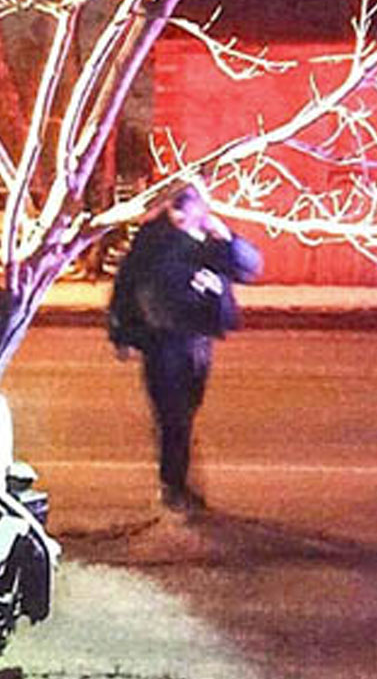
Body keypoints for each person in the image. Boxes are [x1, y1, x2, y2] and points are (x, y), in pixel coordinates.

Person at [107, 184, 261, 513]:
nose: (179, 213)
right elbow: (126, 283)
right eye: (175, 206)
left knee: (185, 413)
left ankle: (176, 478)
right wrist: (120, 331)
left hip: (198, 340)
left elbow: (250, 268)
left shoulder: (211, 241)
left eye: (188, 207)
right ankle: (173, 486)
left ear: (201, 210)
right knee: (172, 416)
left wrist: (227, 238)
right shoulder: (152, 239)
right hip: (162, 340)